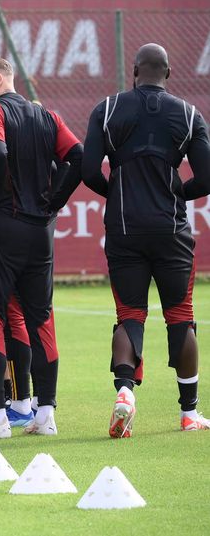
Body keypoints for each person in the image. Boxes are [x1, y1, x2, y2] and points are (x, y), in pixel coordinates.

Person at [82, 43, 210, 436]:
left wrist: (117, 192)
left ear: (134, 70)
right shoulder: (189, 115)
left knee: (130, 314)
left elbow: (88, 171)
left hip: (124, 230)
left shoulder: (106, 109)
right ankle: (189, 413)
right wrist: (174, 193)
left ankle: (124, 392)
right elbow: (206, 179)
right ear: (168, 73)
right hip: (172, 231)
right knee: (181, 316)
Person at [0, 57, 82, 440]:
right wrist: (53, 202)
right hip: (39, 230)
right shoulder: (48, 117)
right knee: (40, 317)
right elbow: (79, 159)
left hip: (0, 226)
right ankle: (45, 413)